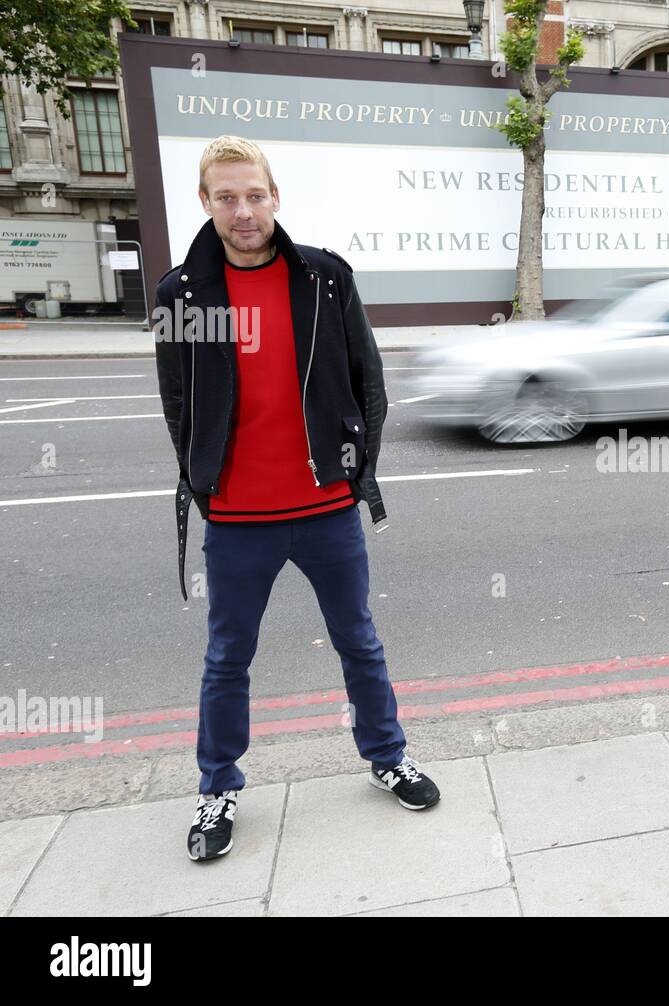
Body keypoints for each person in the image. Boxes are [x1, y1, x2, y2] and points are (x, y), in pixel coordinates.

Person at [153, 135, 439, 863]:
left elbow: (367, 383)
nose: (243, 211)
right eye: (226, 197)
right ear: (206, 202)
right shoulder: (181, 295)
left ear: (275, 196)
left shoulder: (325, 279)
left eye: (254, 195)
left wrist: (355, 479)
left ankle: (387, 756)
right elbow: (178, 404)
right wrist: (206, 489)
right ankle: (217, 786)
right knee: (227, 657)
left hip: (323, 511)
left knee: (359, 640)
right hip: (239, 520)